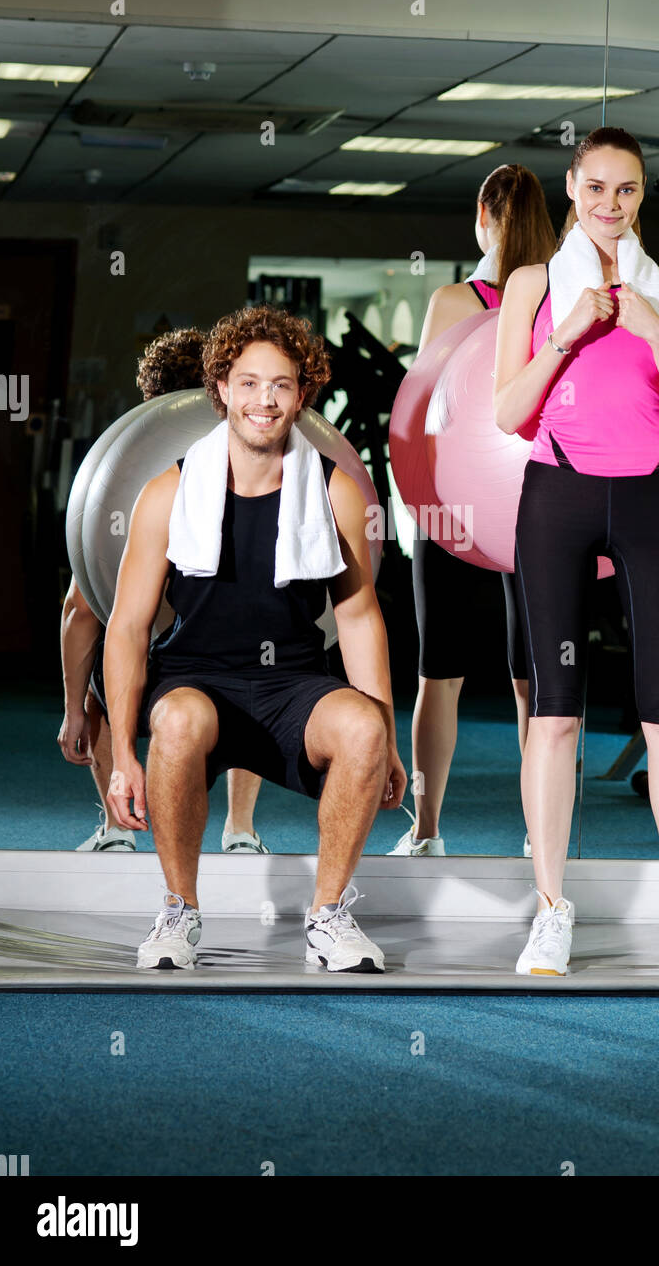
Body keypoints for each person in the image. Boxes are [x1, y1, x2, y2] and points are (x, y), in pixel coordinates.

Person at [494, 126, 659, 977]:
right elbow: (505, 415)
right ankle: (551, 909)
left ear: (641, 196)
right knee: (555, 710)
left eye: (626, 190)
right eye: (595, 187)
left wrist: (654, 331)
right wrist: (563, 335)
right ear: (571, 187)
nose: (610, 205)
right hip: (556, 495)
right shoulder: (530, 284)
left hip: (649, 498)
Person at [104, 305, 407, 972]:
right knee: (178, 718)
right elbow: (127, 625)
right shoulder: (169, 491)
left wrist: (385, 734)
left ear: (303, 393)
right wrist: (123, 751)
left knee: (360, 729)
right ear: (220, 391)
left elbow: (357, 617)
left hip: (294, 687)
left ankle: (327, 915)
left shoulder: (334, 494)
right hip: (196, 682)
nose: (263, 400)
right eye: (247, 383)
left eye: (279, 384)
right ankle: (179, 910)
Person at [389, 164, 557, 858]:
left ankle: (426, 832)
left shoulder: (454, 300)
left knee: (440, 673)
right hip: (538, 500)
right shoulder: (559, 295)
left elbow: (423, 412)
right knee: (532, 679)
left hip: (457, 503)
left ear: (483, 217)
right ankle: (535, 833)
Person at [58, 329, 266, 855]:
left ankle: (118, 830)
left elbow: (78, 613)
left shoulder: (139, 470)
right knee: (259, 665)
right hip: (209, 657)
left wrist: (75, 710)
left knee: (107, 670)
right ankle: (239, 831)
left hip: (172, 656)